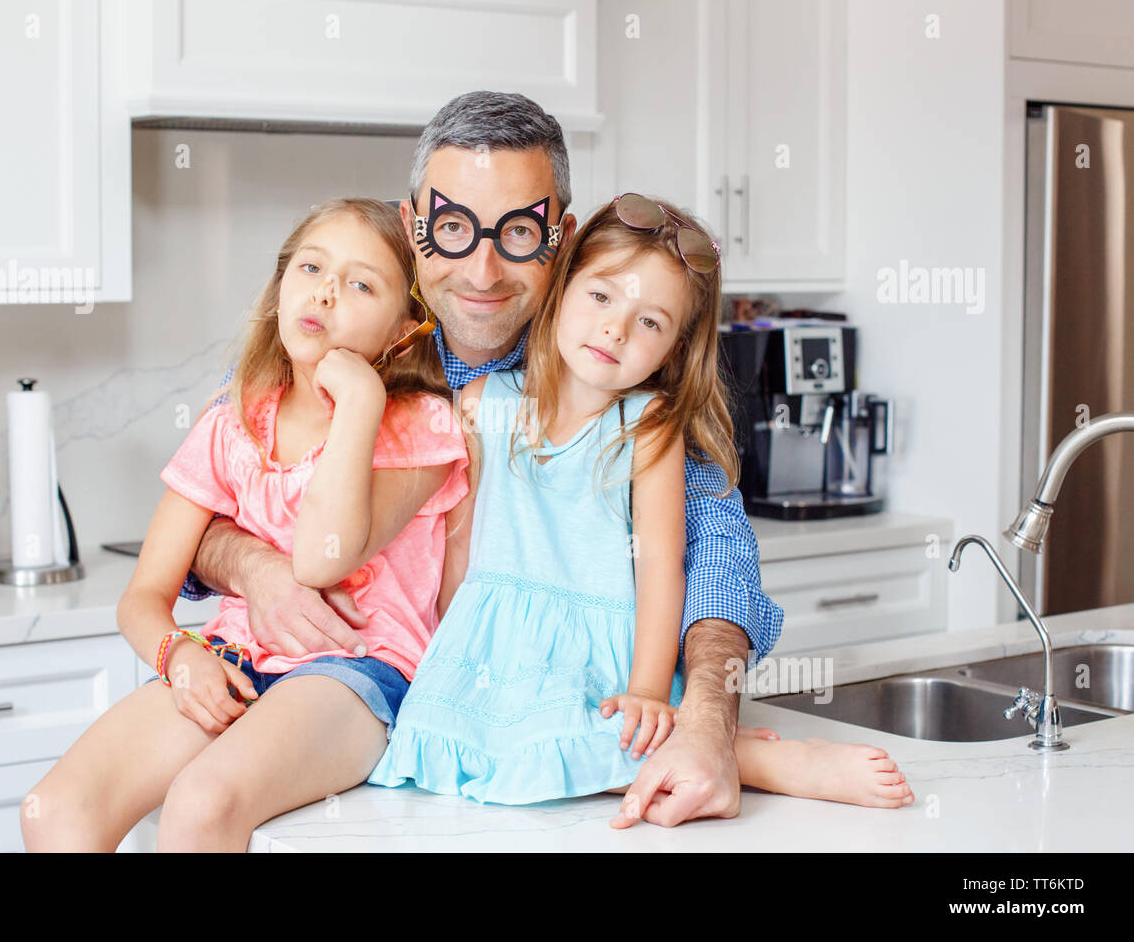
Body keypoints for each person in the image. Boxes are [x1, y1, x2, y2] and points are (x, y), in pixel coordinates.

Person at [180, 91, 784, 827]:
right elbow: (201, 508)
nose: (484, 268)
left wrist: (708, 723)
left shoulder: (598, 367)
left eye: (520, 233)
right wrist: (254, 566)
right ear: (414, 226)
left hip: (510, 743)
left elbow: (714, 545)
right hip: (315, 697)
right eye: (454, 227)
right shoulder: (343, 329)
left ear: (559, 237)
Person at [367, 194, 914, 810]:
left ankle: (769, 761)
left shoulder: (648, 424)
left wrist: (650, 689)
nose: (615, 329)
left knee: (597, 736)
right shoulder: (484, 402)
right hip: (491, 629)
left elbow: (660, 567)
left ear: (674, 349)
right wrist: (444, 642)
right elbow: (458, 539)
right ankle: (734, 752)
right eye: (600, 297)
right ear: (561, 289)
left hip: (598, 639)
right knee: (449, 745)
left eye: (650, 321)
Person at [20, 198, 473, 851]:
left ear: (405, 326)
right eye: (311, 267)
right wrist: (180, 657)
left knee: (202, 804)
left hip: (356, 673)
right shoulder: (231, 421)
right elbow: (145, 595)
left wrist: (359, 398)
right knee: (53, 808)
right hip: (234, 659)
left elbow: (323, 557)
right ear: (280, 287)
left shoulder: (417, 424)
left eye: (361, 284)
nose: (325, 291)